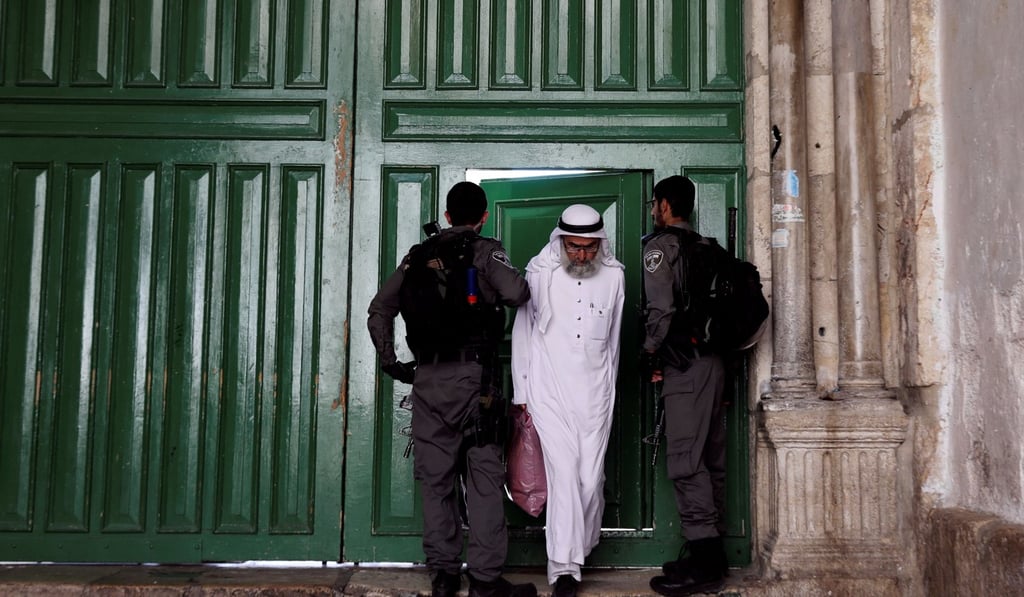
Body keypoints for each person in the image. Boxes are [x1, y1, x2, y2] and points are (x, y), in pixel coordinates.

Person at [367, 181, 537, 597]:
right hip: (475, 383)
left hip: (427, 381)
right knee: (482, 480)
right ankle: (484, 580)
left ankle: (443, 575)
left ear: (445, 217)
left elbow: (379, 310)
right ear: (483, 217)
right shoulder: (484, 250)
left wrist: (392, 363)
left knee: (436, 481)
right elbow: (518, 292)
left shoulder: (417, 256)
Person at [510, 204, 626, 597]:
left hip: (595, 394)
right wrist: (522, 393)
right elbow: (523, 334)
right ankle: (563, 568)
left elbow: (613, 342)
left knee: (589, 480)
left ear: (600, 244)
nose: (581, 255)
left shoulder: (614, 278)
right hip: (548, 390)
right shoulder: (539, 273)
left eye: (589, 248)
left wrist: (610, 390)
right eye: (574, 247)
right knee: (562, 476)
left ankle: (581, 545)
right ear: (560, 241)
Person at [641, 176, 729, 596]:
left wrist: (649, 354)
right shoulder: (711, 248)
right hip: (714, 364)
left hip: (685, 366)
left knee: (685, 460)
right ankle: (708, 552)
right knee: (709, 457)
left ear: (664, 205)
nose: (653, 209)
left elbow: (660, 309)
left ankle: (706, 562)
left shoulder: (661, 248)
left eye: (654, 203)